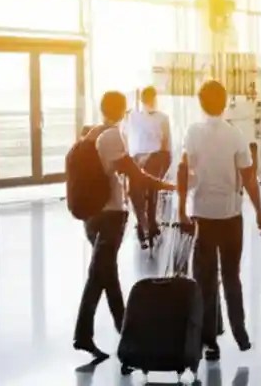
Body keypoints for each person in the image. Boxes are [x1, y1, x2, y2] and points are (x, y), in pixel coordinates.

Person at [74, 91, 176, 360]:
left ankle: (125, 331)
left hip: (91, 217)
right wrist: (168, 185)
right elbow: (135, 175)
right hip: (109, 216)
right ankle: (84, 335)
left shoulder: (92, 132)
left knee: (108, 275)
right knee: (99, 277)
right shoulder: (112, 136)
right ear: (123, 110)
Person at [178, 80, 261, 361]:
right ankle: (240, 333)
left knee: (204, 280)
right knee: (231, 276)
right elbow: (249, 178)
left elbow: (183, 170)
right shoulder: (235, 135)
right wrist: (260, 211)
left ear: (201, 103)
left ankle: (209, 343)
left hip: (203, 216)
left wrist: (181, 209)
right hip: (231, 216)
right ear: (225, 101)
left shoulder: (193, 133)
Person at [126, 86, 172, 249]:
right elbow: (166, 143)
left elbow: (128, 138)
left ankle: (146, 225)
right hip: (148, 158)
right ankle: (147, 225)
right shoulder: (138, 116)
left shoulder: (134, 116)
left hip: (145, 158)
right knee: (148, 193)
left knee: (141, 194)